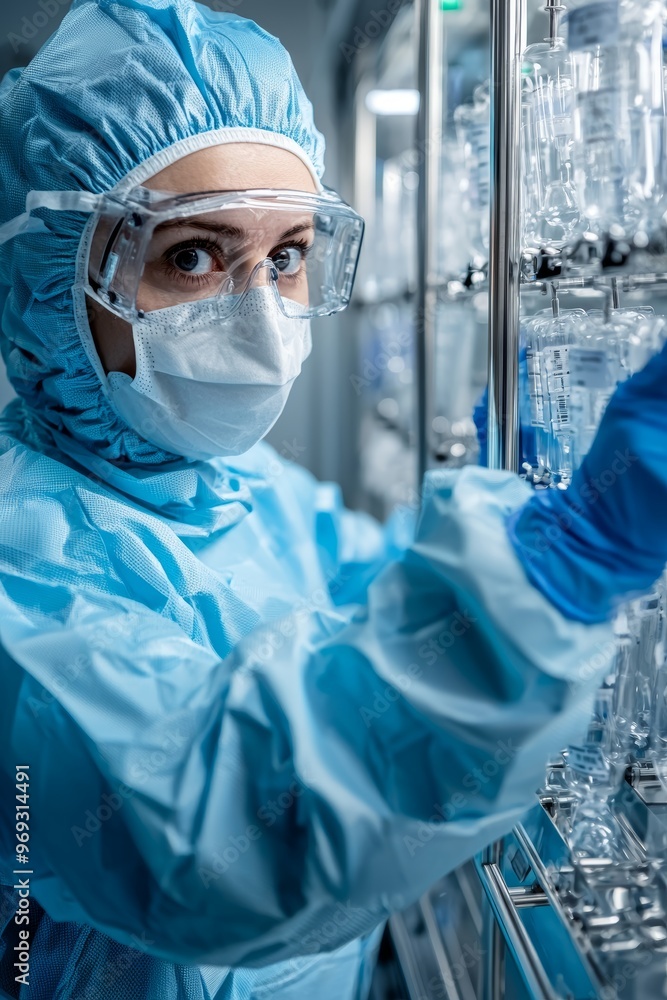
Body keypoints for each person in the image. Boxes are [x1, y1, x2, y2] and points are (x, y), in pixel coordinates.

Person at [0, 1, 666, 998]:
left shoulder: (238, 488)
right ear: (55, 275)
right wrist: (573, 556)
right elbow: (221, 839)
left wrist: (527, 506)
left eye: (288, 255)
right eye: (191, 256)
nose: (263, 321)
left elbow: (374, 595)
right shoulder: (22, 575)